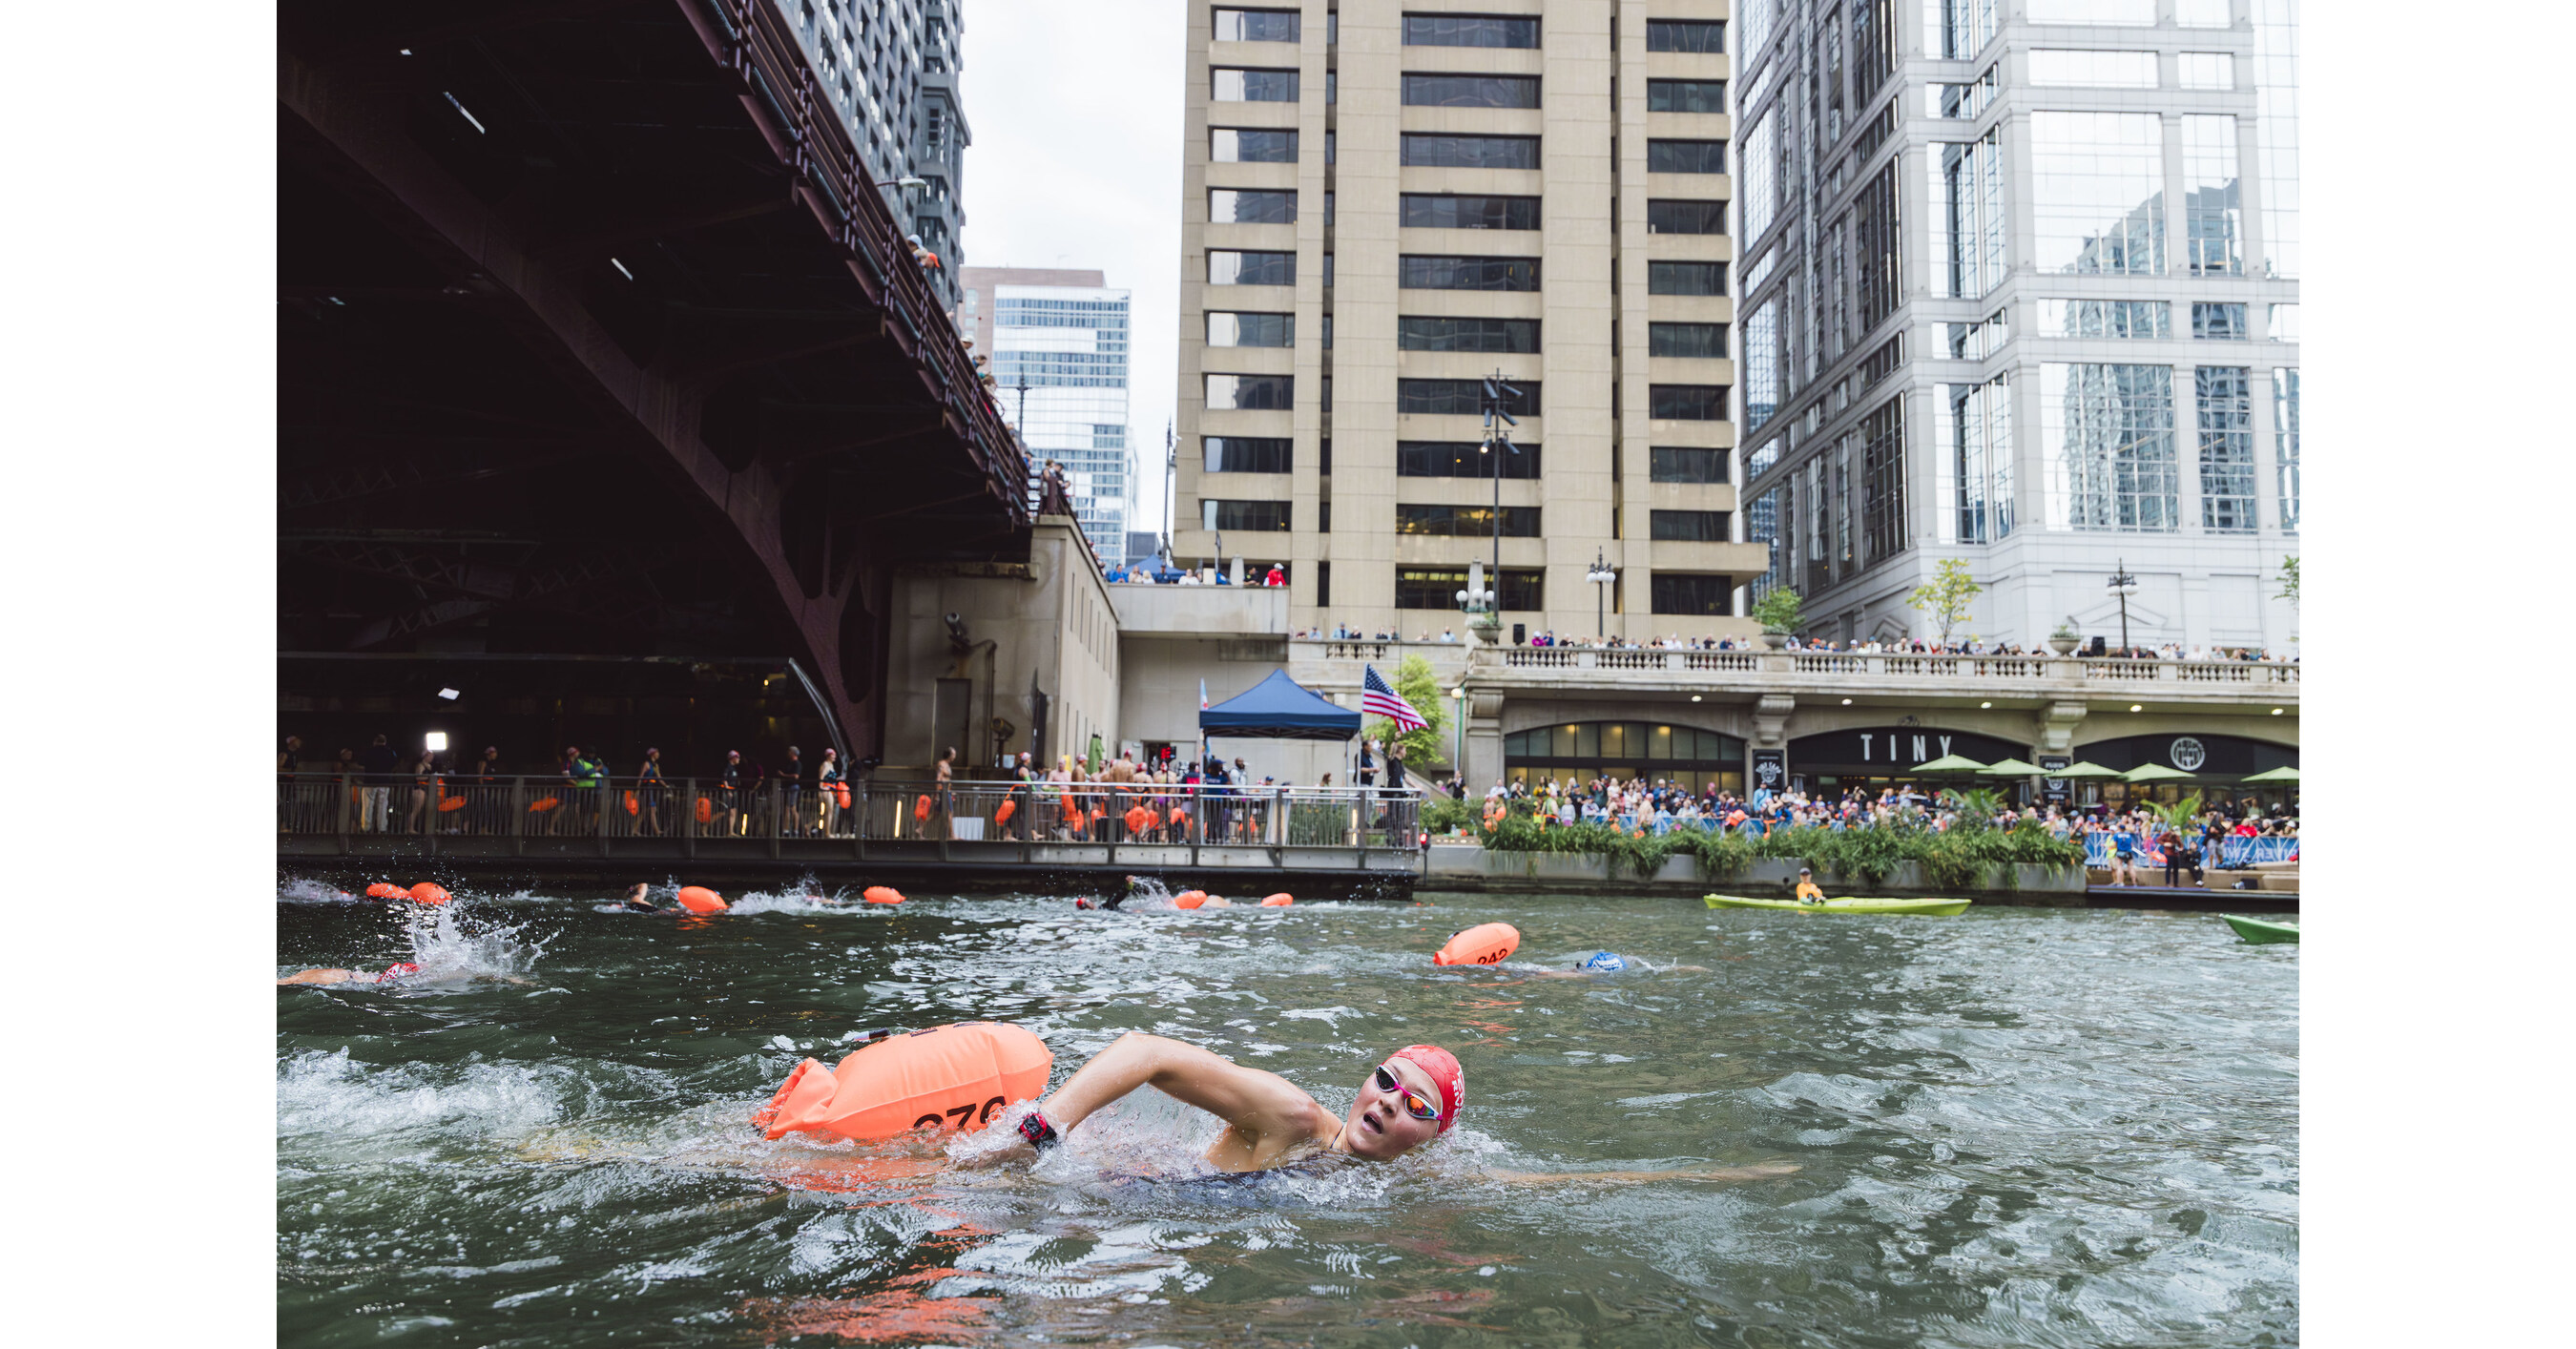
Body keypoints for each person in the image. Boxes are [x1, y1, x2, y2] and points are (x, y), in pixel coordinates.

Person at [977, 1032, 1790, 1188]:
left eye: (1415, 1105)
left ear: (1432, 1137)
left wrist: (1710, 1175)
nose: (1389, 1102)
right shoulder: (1295, 1119)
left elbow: (1551, 1185)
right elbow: (1144, 1049)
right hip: (1111, 1183)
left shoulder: (1415, 1181)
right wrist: (1040, 1132)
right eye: (1386, 1081)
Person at [360, 734, 399, 832]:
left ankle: (366, 827)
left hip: (370, 781)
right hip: (384, 781)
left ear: (375, 742)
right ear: (385, 742)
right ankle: (382, 828)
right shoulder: (390, 752)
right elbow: (395, 764)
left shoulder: (369, 751)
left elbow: (361, 762)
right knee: (383, 805)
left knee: (368, 805)